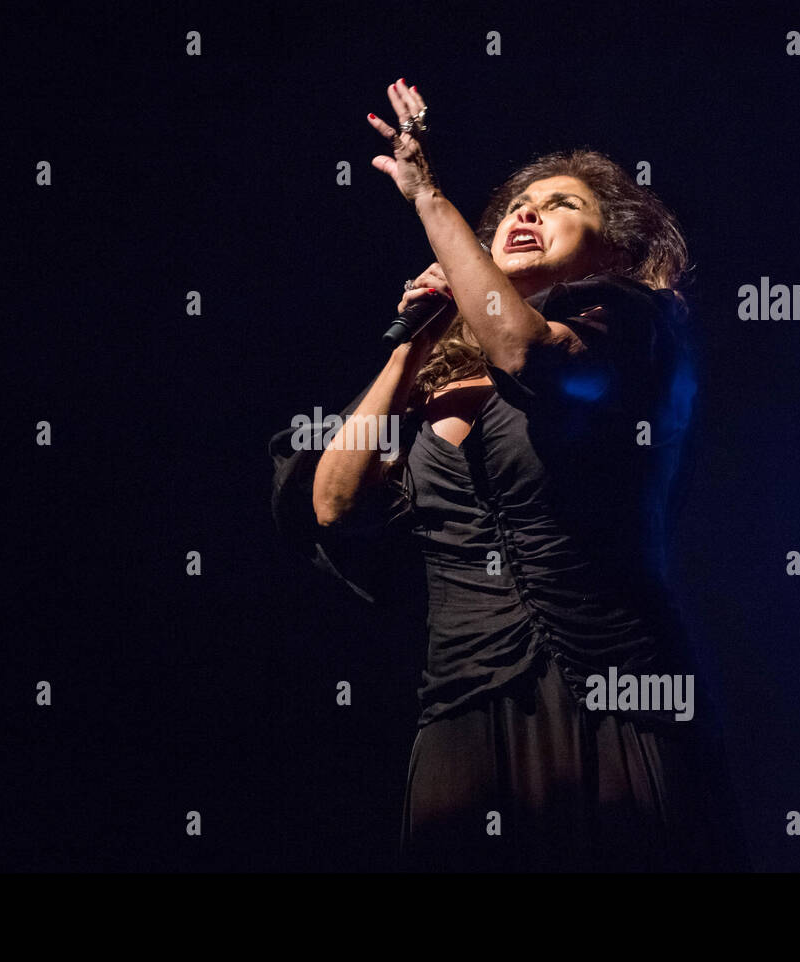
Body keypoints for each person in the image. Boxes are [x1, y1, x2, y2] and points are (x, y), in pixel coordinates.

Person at [270, 78, 749, 871]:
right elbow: (334, 503)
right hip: (462, 710)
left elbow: (524, 351)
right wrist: (411, 345)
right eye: (516, 207)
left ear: (614, 249)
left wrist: (427, 196)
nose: (527, 212)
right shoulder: (434, 382)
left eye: (562, 205)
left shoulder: (636, 331)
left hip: (617, 696)